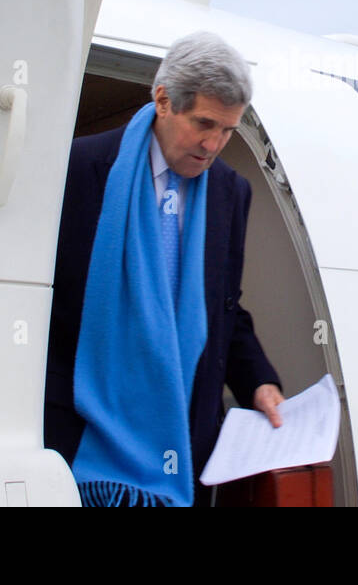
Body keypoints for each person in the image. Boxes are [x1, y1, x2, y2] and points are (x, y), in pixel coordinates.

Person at [44, 31, 284, 507]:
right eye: (204, 123)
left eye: (228, 130)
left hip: (184, 443)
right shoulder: (76, 168)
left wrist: (260, 381)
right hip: (80, 440)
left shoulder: (230, 192)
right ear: (163, 101)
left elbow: (226, 309)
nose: (214, 144)